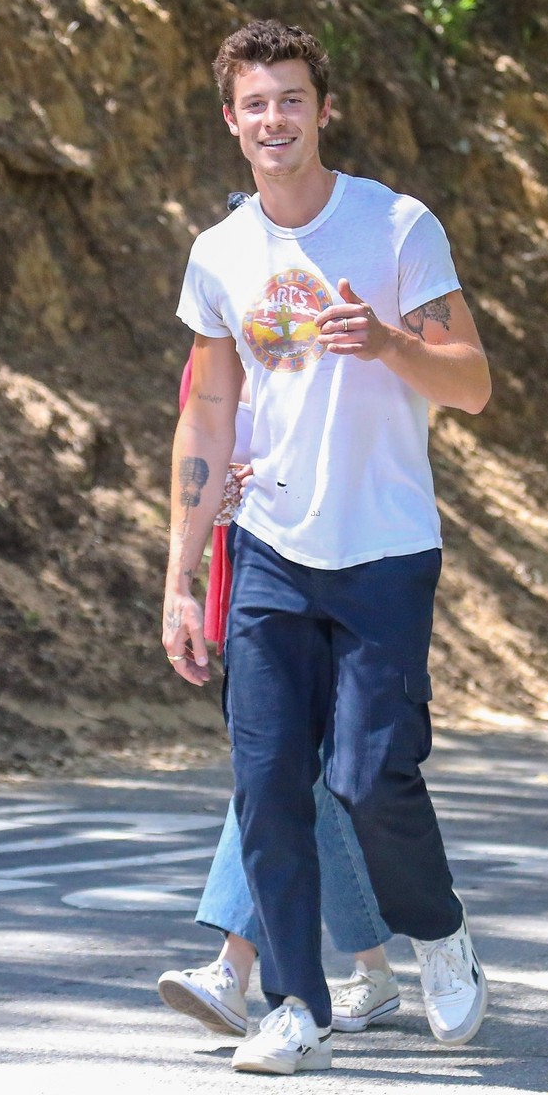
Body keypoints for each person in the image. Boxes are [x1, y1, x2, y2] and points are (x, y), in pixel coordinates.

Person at [162, 18, 492, 1076]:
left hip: (385, 548)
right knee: (265, 782)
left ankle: (435, 932)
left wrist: (390, 341)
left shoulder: (396, 227)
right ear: (231, 120)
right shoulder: (219, 254)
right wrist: (179, 577)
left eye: (290, 99)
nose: (274, 120)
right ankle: (293, 1004)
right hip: (267, 548)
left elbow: (473, 383)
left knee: (369, 771)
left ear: (322, 109)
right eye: (254, 104)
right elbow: (207, 409)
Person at [159, 341, 400, 1038]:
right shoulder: (209, 357)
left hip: (342, 584)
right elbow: (202, 481)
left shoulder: (339, 341)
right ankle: (374, 972)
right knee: (295, 778)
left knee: (282, 773)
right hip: (252, 593)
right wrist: (191, 596)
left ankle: (232, 972)